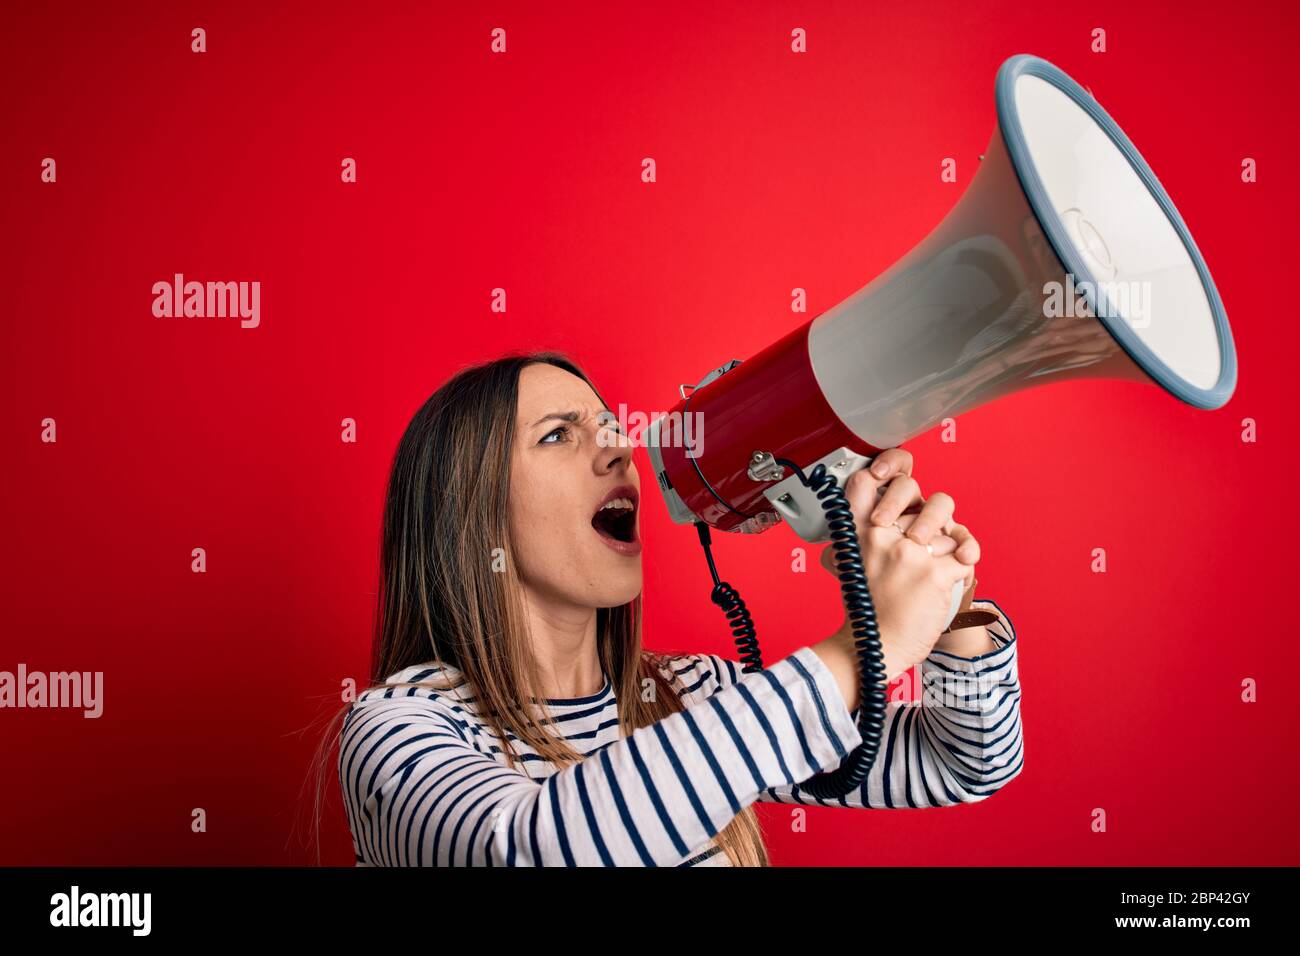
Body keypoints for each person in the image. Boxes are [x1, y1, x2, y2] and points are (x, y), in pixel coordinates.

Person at [332, 351, 1022, 866]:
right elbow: (534, 849)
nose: (617, 448)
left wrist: (943, 605)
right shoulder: (398, 730)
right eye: (557, 435)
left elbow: (965, 761)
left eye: (607, 426)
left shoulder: (684, 695)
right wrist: (858, 652)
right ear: (467, 515)